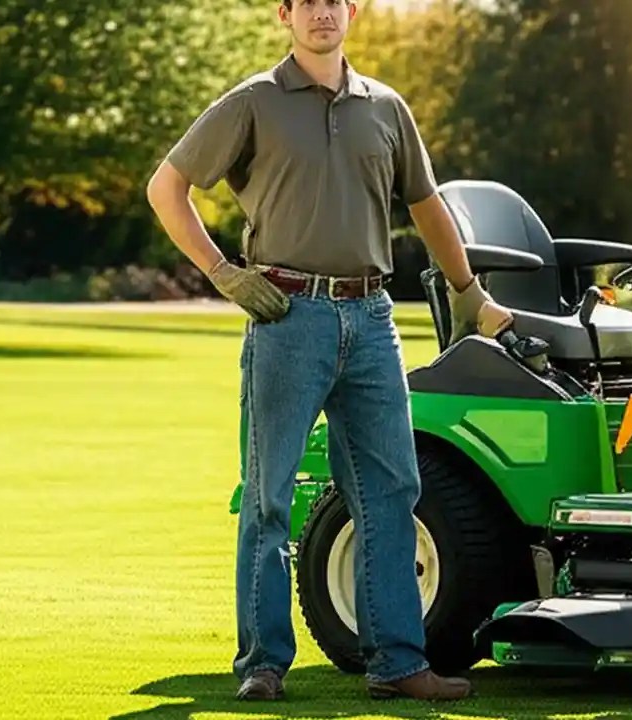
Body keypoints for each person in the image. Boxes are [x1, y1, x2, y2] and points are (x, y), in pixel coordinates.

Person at [145, 0, 512, 704]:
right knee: (269, 497)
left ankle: (398, 662)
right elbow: (168, 186)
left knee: (392, 494)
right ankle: (262, 664)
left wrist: (469, 292)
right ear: (285, 13)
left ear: (351, 12)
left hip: (372, 319)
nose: (321, 12)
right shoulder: (254, 102)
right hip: (288, 318)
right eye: (306, 1)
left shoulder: (386, 107)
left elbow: (427, 203)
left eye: (333, 1)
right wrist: (223, 272)